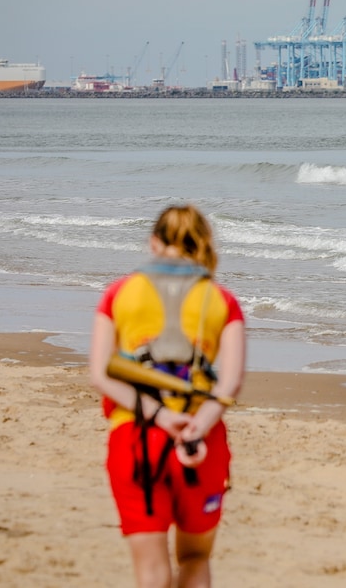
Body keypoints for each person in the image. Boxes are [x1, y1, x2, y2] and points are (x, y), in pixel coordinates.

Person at [88, 204, 245, 588]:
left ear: (154, 242)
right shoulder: (223, 300)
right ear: (203, 244)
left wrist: (159, 416)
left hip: (135, 439)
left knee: (151, 573)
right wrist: (195, 428)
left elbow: (100, 374)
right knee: (194, 557)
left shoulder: (118, 294)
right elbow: (229, 385)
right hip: (200, 442)